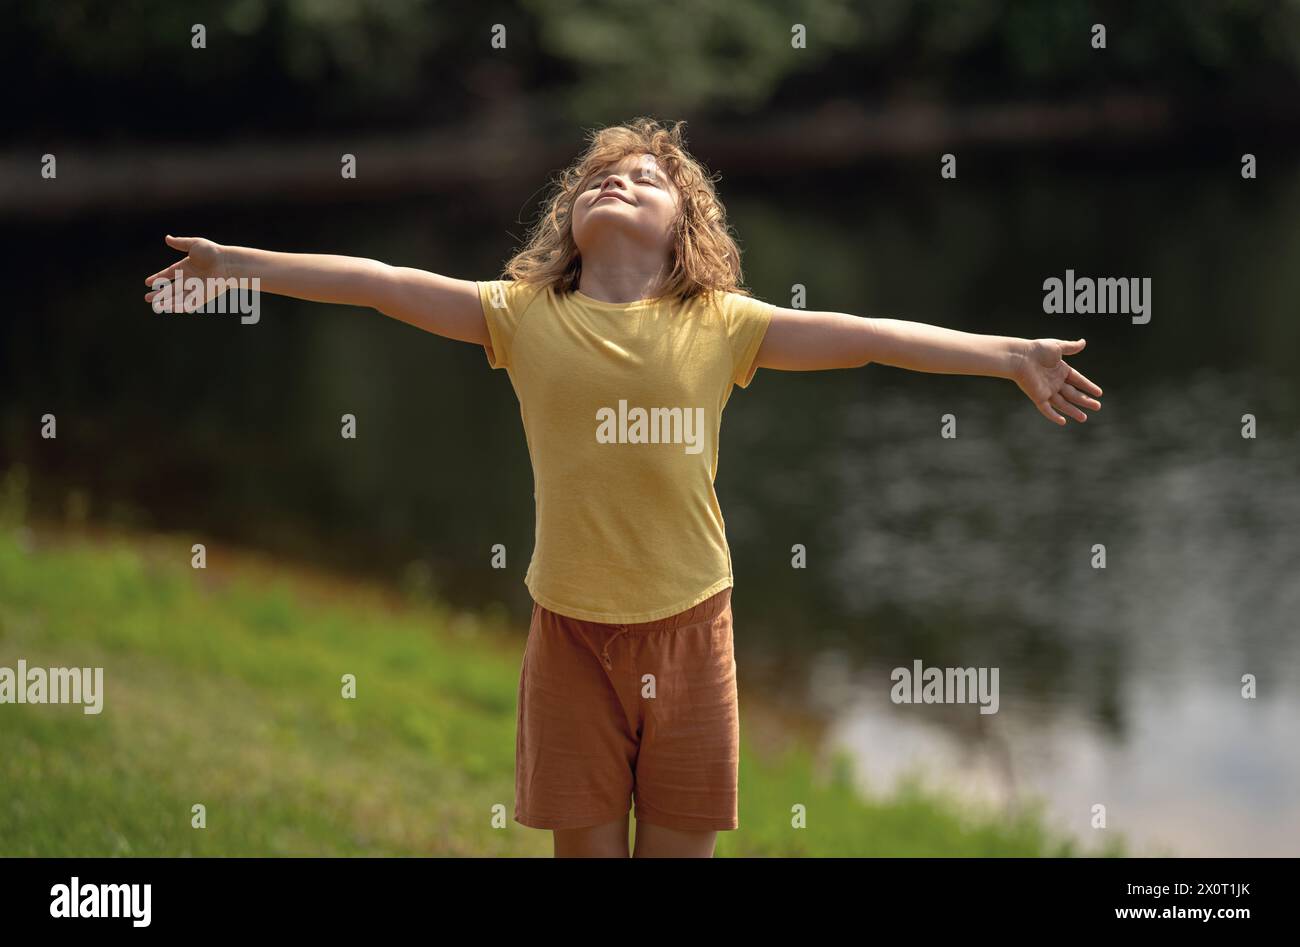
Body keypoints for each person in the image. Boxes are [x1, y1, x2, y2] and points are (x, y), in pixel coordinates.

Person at [143, 116, 1102, 858]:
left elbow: (872, 336)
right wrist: (236, 268)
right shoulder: (520, 315)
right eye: (602, 175)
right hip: (568, 634)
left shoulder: (721, 322)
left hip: (693, 630)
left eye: (646, 179)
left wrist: (1010, 353)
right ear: (571, 218)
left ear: (685, 227)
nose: (618, 180)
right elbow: (380, 281)